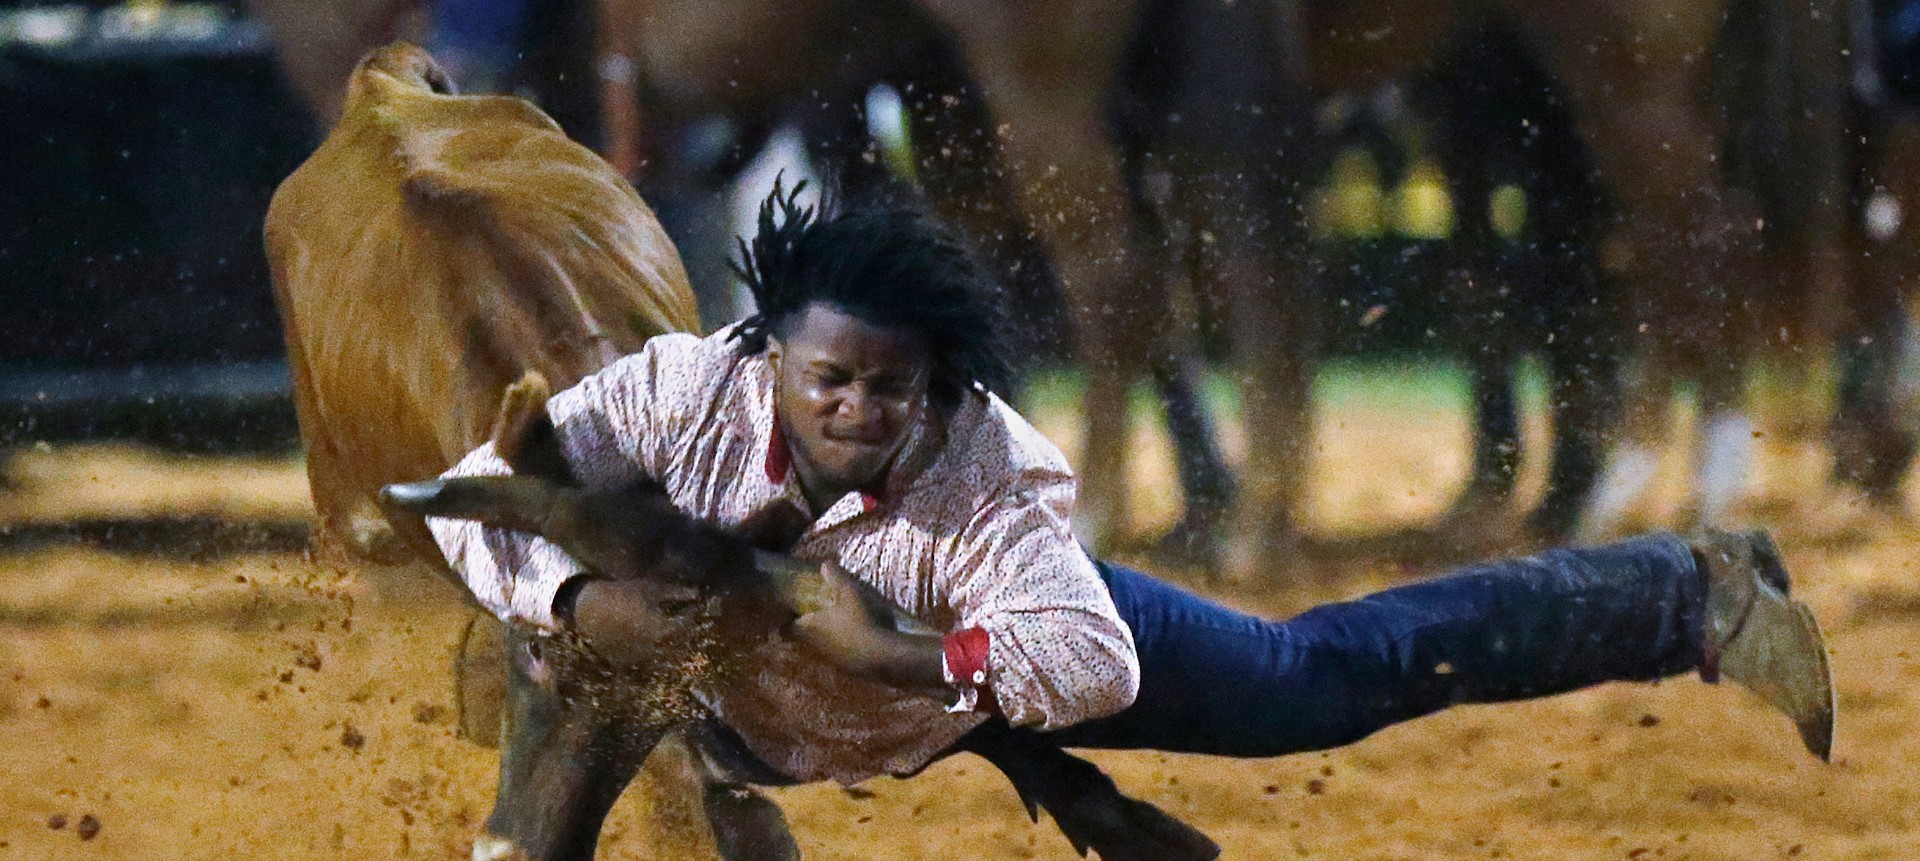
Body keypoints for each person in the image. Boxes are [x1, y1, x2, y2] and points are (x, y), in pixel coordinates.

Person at [428, 182, 1836, 783]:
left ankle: (1685, 594)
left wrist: (907, 655)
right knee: (564, 645)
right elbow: (474, 493)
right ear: (768, 361)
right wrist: (563, 593)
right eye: (829, 383)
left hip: (945, 674)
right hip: (768, 691)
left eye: (892, 390)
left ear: (940, 393)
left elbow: (1088, 665)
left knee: (1306, 687)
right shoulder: (678, 387)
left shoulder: (990, 486)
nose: (857, 410)